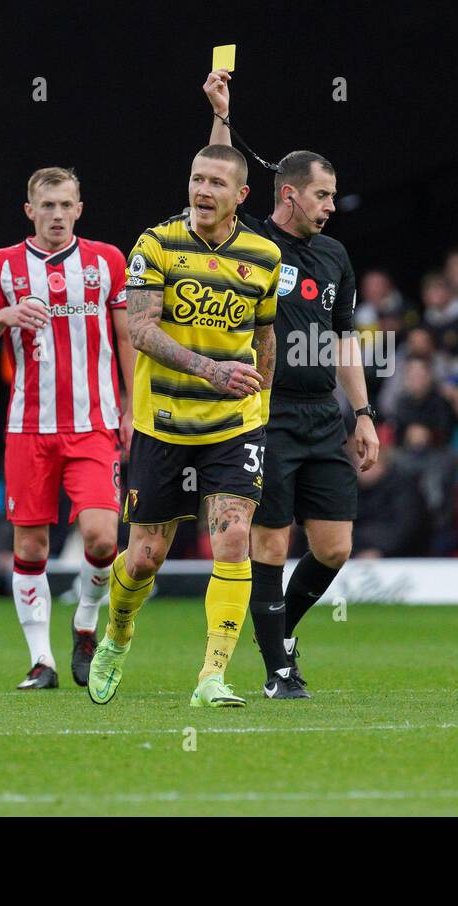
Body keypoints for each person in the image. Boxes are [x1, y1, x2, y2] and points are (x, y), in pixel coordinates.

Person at [203, 68, 381, 699]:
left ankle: (276, 635)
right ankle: (281, 670)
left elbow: (344, 338)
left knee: (334, 546)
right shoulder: (247, 242)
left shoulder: (335, 256)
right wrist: (222, 112)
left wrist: (363, 414)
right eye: (324, 195)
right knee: (271, 542)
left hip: (320, 415)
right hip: (262, 412)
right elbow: (217, 181)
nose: (331, 205)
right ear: (288, 195)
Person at [87, 143, 281, 709]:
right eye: (197, 179)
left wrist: (260, 406)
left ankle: (212, 677)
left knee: (233, 537)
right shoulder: (155, 244)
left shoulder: (265, 256)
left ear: (241, 196)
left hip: (233, 424)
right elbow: (140, 331)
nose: (202, 191)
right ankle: (118, 633)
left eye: (217, 183)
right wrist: (211, 371)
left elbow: (265, 339)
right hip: (163, 422)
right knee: (145, 555)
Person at [0, 167, 134, 690]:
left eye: (66, 205)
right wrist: (5, 316)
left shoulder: (107, 261)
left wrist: (131, 406)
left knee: (103, 538)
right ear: (30, 211)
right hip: (28, 428)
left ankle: (85, 621)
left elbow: (126, 336)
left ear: (79, 209)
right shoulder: (4, 265)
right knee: (32, 546)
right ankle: (42, 661)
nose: (57, 215)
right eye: (47, 206)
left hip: (95, 423)